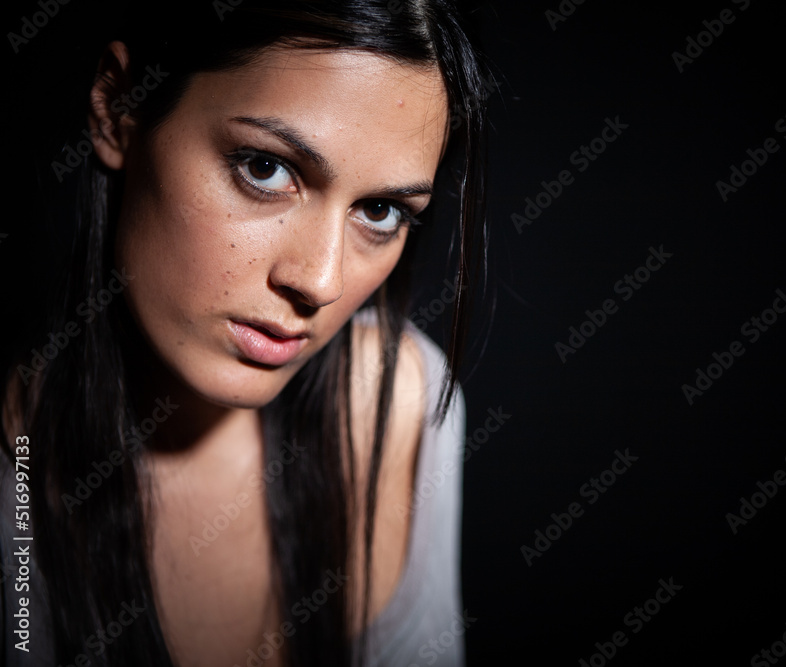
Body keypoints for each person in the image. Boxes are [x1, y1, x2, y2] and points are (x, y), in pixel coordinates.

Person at [0, 0, 489, 664]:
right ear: (118, 108)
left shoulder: (396, 399)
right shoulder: (15, 478)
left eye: (379, 210)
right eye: (265, 167)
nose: (318, 279)